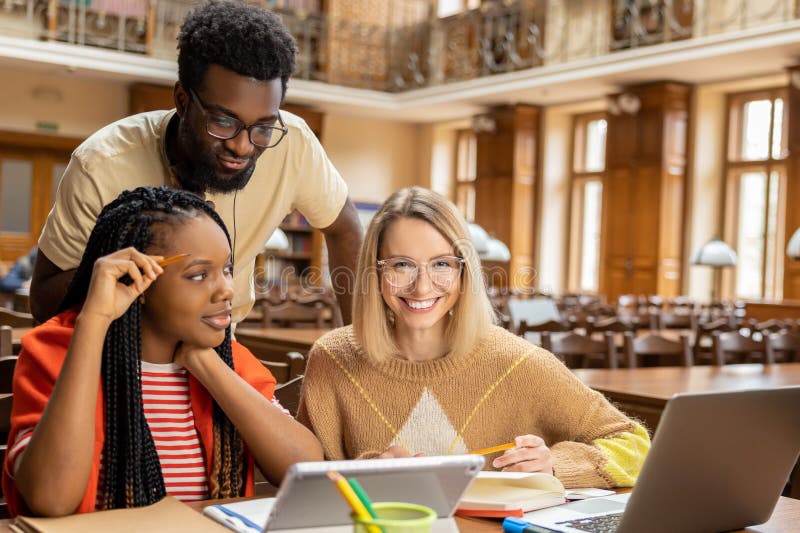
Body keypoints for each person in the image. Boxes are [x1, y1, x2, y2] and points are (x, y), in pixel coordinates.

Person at [30, 0, 362, 326]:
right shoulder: (101, 164)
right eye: (223, 122)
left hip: (218, 348)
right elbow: (43, 301)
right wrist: (125, 280)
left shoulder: (293, 144)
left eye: (262, 128)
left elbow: (345, 228)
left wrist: (357, 345)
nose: (241, 146)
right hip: (112, 352)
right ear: (182, 101)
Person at [298, 187, 650, 489]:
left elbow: (635, 446)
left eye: (441, 264)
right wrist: (365, 475)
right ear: (374, 272)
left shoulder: (518, 362)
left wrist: (556, 465)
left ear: (465, 272)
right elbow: (304, 482)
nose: (422, 286)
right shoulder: (332, 358)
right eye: (401, 265)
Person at [3, 187, 323, 517]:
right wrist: (95, 321)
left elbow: (307, 471)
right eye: (199, 275)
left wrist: (206, 365)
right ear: (137, 280)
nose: (228, 289)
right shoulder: (56, 350)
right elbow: (51, 499)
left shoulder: (229, 360)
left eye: (227, 269)